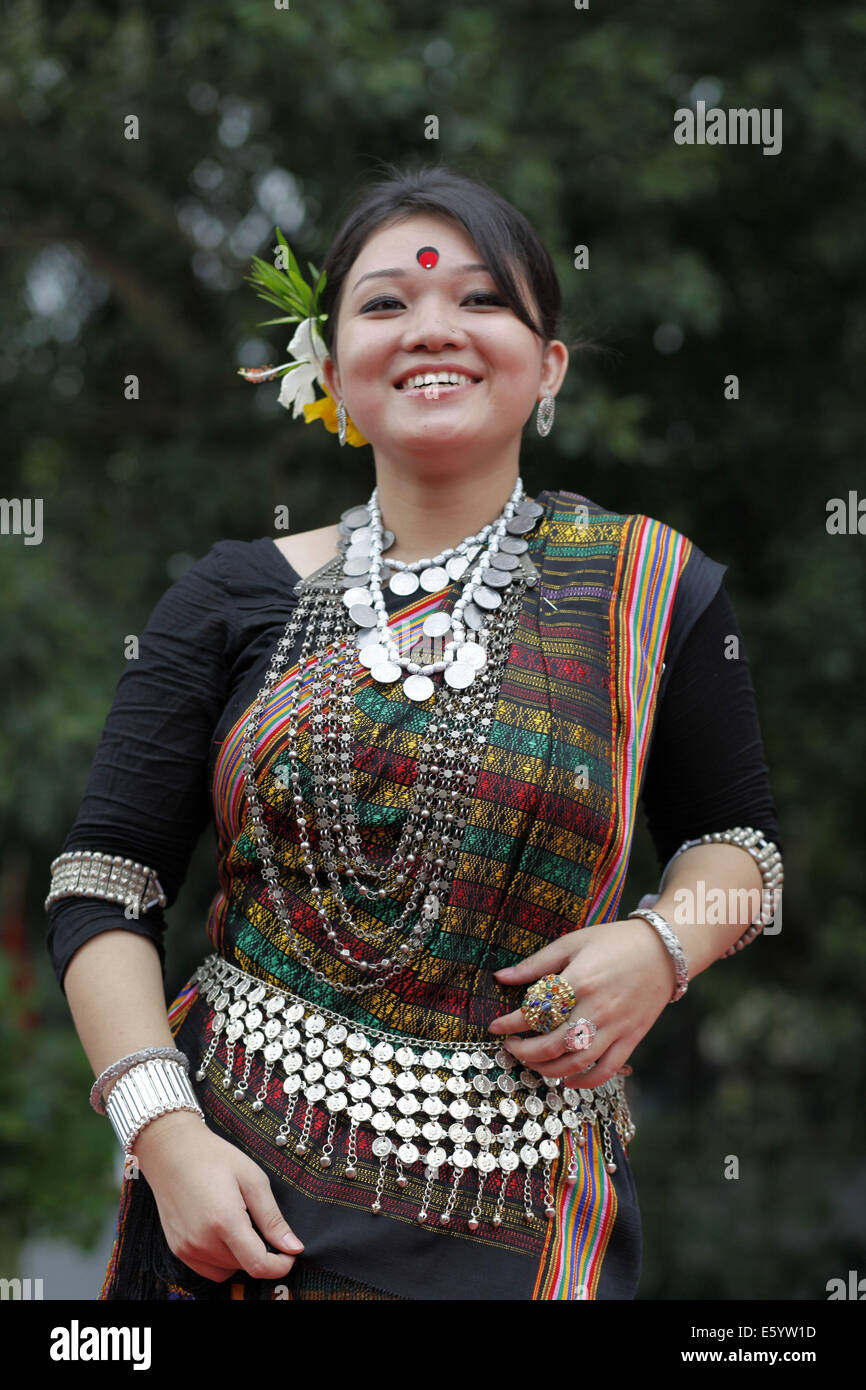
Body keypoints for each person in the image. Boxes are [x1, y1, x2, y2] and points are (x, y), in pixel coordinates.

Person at [45, 162, 782, 1301]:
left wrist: (665, 944)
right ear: (333, 369)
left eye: (481, 299)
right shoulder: (230, 599)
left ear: (547, 367)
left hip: (520, 1211)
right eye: (386, 303)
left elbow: (739, 844)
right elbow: (105, 882)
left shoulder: (649, 589)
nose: (431, 327)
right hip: (234, 1196)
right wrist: (162, 1133)